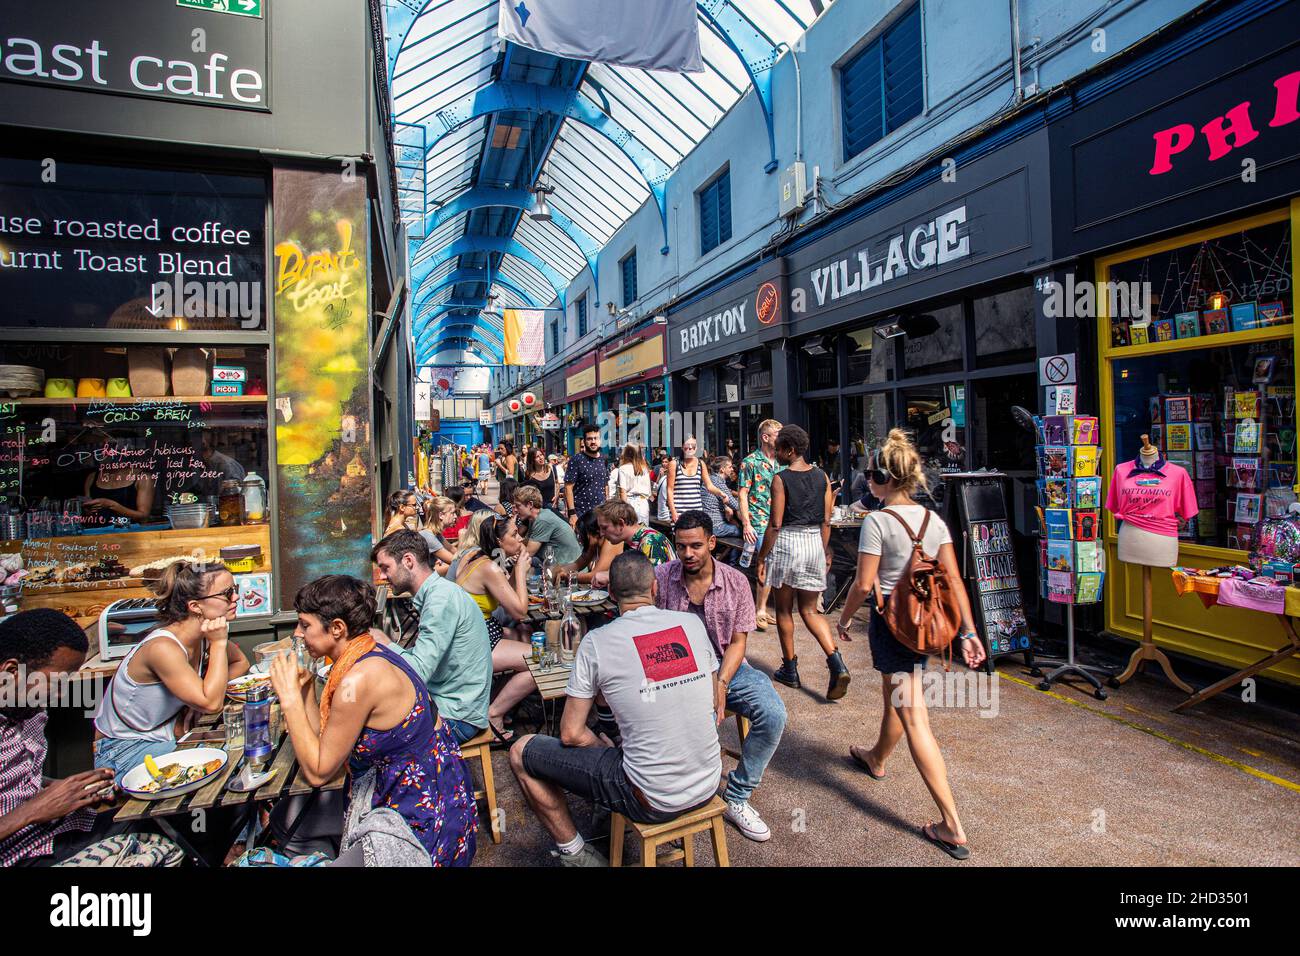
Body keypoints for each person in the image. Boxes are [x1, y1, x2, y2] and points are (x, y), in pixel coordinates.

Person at [508, 552, 722, 866]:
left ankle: (576, 854)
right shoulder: (691, 623)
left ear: (611, 596)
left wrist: (603, 748)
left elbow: (569, 734)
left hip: (650, 799)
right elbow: (712, 697)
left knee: (521, 751)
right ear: (654, 589)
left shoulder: (597, 641)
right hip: (708, 781)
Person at [834, 428, 986, 860]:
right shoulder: (933, 520)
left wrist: (843, 620)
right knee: (896, 693)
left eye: (869, 476)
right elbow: (954, 579)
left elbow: (863, 584)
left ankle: (951, 824)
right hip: (924, 627)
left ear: (881, 479)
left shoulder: (878, 522)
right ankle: (877, 756)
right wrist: (969, 632)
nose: (867, 483)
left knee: (915, 716)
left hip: (893, 627)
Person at [268, 575, 476, 866]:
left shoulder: (360, 678)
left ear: (337, 628)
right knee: (285, 818)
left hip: (420, 816)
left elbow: (318, 771)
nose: (297, 634)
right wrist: (303, 691)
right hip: (403, 789)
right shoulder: (368, 649)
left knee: (291, 822)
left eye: (305, 625)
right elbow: (327, 742)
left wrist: (288, 698)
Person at [655, 511, 786, 842]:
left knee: (773, 715)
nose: (688, 554)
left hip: (729, 667)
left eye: (696, 546)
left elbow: (739, 642)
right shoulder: (662, 577)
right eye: (681, 547)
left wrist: (722, 682)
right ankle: (670, 795)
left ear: (712, 543)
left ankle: (737, 795)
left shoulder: (736, 582)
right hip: (676, 671)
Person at [92, 561, 250, 780]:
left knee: (248, 746)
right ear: (195, 606)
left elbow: (241, 662)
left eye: (236, 590)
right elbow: (212, 703)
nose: (236, 598)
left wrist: (196, 699)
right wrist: (218, 645)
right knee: (231, 760)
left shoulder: (201, 636)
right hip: (122, 751)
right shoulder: (163, 648)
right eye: (227, 593)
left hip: (163, 738)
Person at [0, 609, 123, 866]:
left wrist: (66, 789)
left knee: (186, 823)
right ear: (12, 671)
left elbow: (14, 780)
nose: (60, 694)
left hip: (51, 835)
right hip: (17, 857)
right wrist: (32, 810)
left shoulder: (29, 711)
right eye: (57, 682)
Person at [755, 424, 850, 701]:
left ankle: (790, 668)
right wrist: (822, 552)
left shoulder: (780, 479)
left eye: (779, 449)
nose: (777, 453)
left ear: (790, 450)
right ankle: (836, 662)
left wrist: (762, 558)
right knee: (810, 611)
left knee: (784, 610)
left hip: (787, 543)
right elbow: (826, 520)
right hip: (812, 544)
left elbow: (775, 524)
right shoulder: (822, 477)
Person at [371, 531, 491, 745]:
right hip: (450, 702)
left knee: (372, 743)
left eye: (385, 567)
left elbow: (418, 671)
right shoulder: (437, 593)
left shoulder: (440, 599)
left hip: (456, 716)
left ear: (408, 561)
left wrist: (386, 643)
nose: (382, 576)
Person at [443, 515, 538, 738]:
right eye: (514, 534)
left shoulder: (475, 555)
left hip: (478, 631)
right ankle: (494, 714)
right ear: (498, 540)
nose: (520, 538)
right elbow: (520, 611)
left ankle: (494, 704)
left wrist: (515, 571)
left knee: (528, 637)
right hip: (473, 642)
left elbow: (509, 597)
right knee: (540, 661)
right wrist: (522, 572)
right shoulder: (488, 568)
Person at [739, 419, 782, 631]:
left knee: (775, 563)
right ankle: (761, 610)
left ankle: (763, 608)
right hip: (759, 520)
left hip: (780, 520)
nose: (781, 439)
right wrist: (746, 523)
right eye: (777, 434)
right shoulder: (750, 462)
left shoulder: (783, 462)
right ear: (766, 437)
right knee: (766, 562)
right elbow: (743, 494)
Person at [590, 500, 674, 588]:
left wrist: (611, 577)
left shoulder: (650, 542)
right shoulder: (633, 540)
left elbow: (653, 582)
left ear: (621, 523)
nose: (601, 533)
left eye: (604, 528)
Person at [83, 436, 157, 528]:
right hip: (96, 533)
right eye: (102, 447)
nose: (104, 452)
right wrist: (88, 510)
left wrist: (111, 505)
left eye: (110, 448)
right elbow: (88, 516)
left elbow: (143, 517)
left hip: (130, 534)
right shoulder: (92, 477)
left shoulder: (143, 477)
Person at [513, 485, 582, 567]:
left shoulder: (542, 520)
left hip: (568, 567)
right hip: (557, 562)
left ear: (530, 504)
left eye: (518, 506)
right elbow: (525, 542)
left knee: (520, 562)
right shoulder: (537, 517)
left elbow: (528, 553)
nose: (515, 510)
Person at [666, 436, 729, 525]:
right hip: (679, 512)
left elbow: (709, 486)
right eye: (688, 445)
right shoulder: (674, 464)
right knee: (682, 538)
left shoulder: (700, 464)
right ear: (682, 446)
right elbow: (669, 490)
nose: (690, 447)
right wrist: (673, 512)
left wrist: (722, 494)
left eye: (693, 445)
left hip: (696, 511)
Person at [564, 424, 609, 528]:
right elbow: (568, 487)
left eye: (596, 438)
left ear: (600, 440)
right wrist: (572, 513)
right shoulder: (576, 460)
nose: (593, 441)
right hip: (581, 514)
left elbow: (605, 484)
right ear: (584, 441)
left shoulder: (603, 459)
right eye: (589, 439)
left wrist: (607, 506)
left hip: (600, 513)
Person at [607, 442, 653, 526]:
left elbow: (622, 491)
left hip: (630, 503)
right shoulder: (644, 468)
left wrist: (624, 509)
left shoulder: (623, 469)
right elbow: (649, 490)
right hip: (643, 503)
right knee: (643, 531)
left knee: (630, 532)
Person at [701, 454, 742, 539]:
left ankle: (732, 552)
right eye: (730, 467)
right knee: (744, 531)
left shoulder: (711, 478)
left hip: (707, 524)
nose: (732, 469)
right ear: (722, 470)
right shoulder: (718, 482)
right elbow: (735, 505)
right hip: (716, 527)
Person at [420, 495, 458, 567]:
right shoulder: (428, 536)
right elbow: (454, 562)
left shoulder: (436, 534)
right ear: (441, 515)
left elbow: (452, 549)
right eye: (452, 513)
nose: (455, 516)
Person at [521, 446, 561, 511]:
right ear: (532, 460)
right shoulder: (529, 476)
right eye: (537, 457)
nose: (541, 458)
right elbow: (528, 494)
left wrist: (557, 495)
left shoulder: (551, 468)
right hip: (540, 510)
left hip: (554, 506)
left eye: (541, 455)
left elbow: (557, 483)